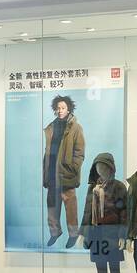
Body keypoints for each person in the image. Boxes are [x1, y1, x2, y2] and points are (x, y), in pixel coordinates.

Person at [42, 95, 85, 248]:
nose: (60, 111)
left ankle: (73, 234)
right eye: (58, 108)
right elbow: (47, 152)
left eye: (63, 108)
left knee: (70, 207)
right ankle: (55, 233)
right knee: (52, 206)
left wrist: (72, 168)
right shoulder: (51, 127)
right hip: (52, 173)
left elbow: (79, 152)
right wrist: (45, 173)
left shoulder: (76, 128)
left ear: (69, 109)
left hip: (66, 174)